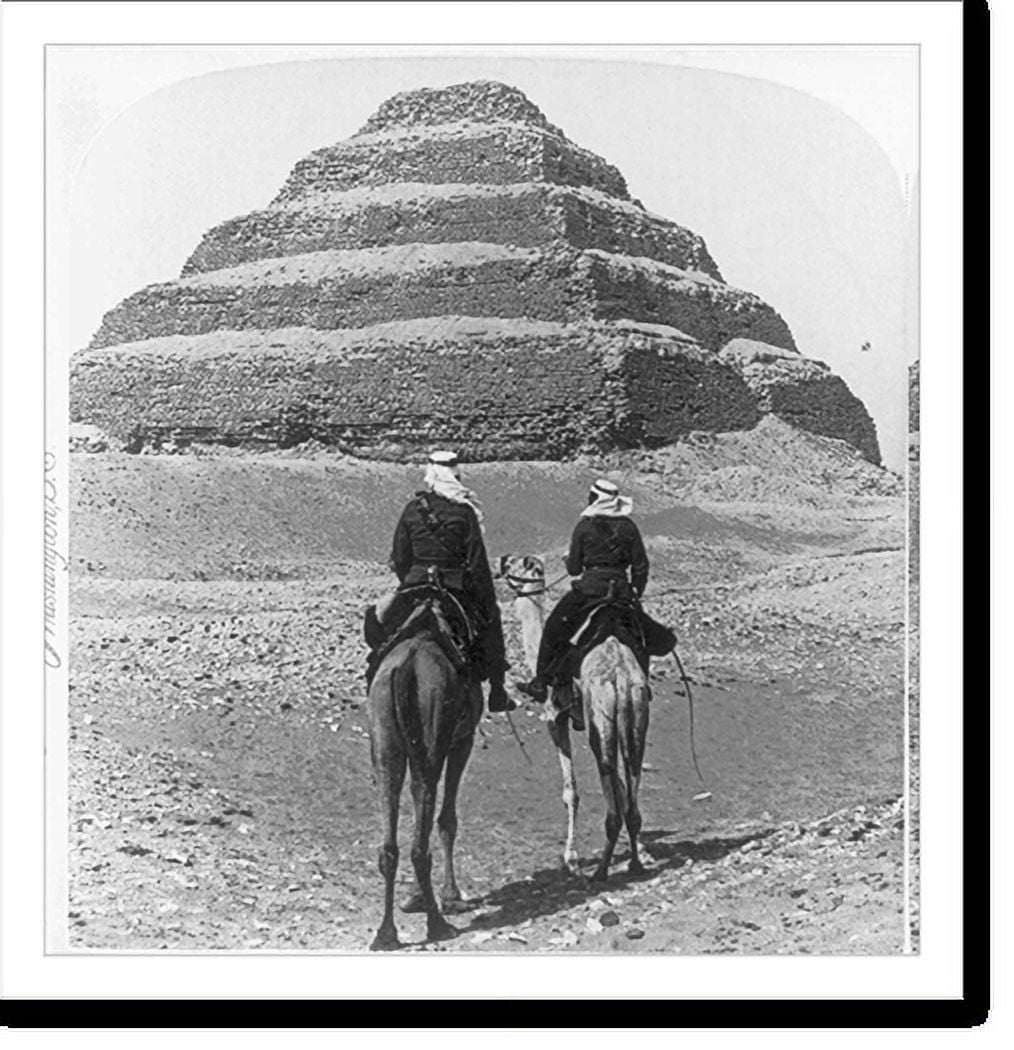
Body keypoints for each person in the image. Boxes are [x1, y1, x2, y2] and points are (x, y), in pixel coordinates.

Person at [365, 450, 516, 713]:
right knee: (490, 622)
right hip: (454, 589)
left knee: (377, 620)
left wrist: (411, 582)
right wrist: (483, 595)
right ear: (456, 475)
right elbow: (477, 562)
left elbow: (400, 557)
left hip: (414, 586)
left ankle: (372, 673)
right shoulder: (464, 512)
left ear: (430, 475)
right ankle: (497, 689)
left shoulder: (412, 509)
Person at [516, 478, 649, 703]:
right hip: (622, 592)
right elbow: (641, 566)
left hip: (590, 590)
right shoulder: (629, 527)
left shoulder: (585, 526)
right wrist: (636, 591)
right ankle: (644, 681)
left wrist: (569, 561)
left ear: (596, 498)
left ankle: (541, 681)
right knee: (643, 636)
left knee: (554, 627)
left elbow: (575, 569)